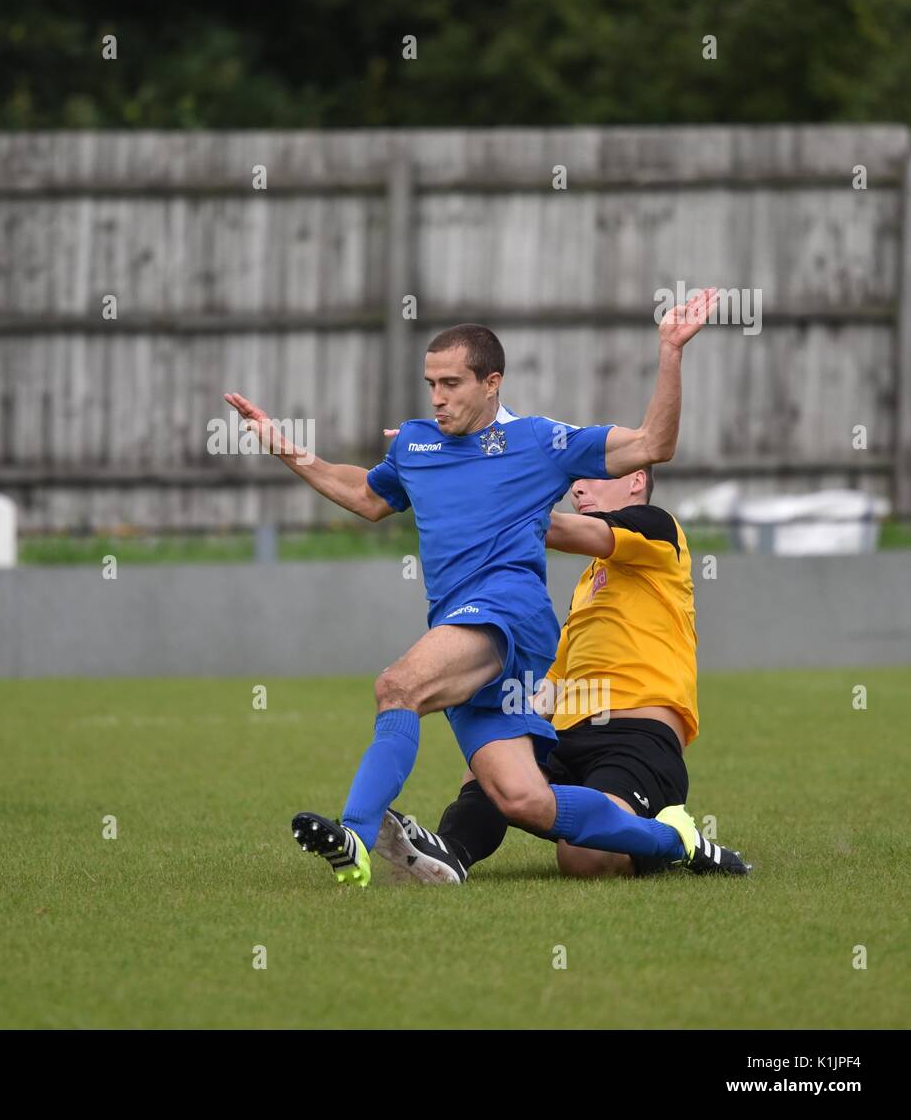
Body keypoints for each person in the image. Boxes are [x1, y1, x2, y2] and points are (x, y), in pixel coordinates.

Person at [226, 288, 743, 888]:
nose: (438, 397)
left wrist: (671, 352)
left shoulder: (542, 442)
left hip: (504, 615)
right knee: (523, 798)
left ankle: (356, 837)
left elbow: (654, 445)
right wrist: (290, 451)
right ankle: (676, 843)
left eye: (452, 383)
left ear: (491, 383)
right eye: (431, 384)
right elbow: (366, 496)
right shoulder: (418, 444)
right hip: (466, 629)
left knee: (397, 687)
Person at [376, 468, 750, 883]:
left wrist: (471, 492)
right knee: (498, 756)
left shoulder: (658, 529)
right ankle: (450, 853)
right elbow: (556, 679)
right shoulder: (589, 582)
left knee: (585, 859)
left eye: (593, 476)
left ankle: (676, 840)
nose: (577, 486)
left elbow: (558, 530)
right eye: (575, 479)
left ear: (637, 481)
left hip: (636, 736)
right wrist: (506, 725)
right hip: (568, 737)